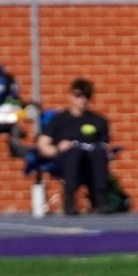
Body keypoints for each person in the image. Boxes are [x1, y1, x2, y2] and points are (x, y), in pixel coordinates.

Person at [36, 78, 115, 215]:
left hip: (90, 160)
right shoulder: (59, 119)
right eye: (78, 95)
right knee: (74, 152)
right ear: (71, 96)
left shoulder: (98, 121)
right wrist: (58, 149)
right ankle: (70, 200)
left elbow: (105, 146)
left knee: (97, 152)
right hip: (65, 160)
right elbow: (43, 144)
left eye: (86, 96)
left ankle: (100, 199)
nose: (82, 100)